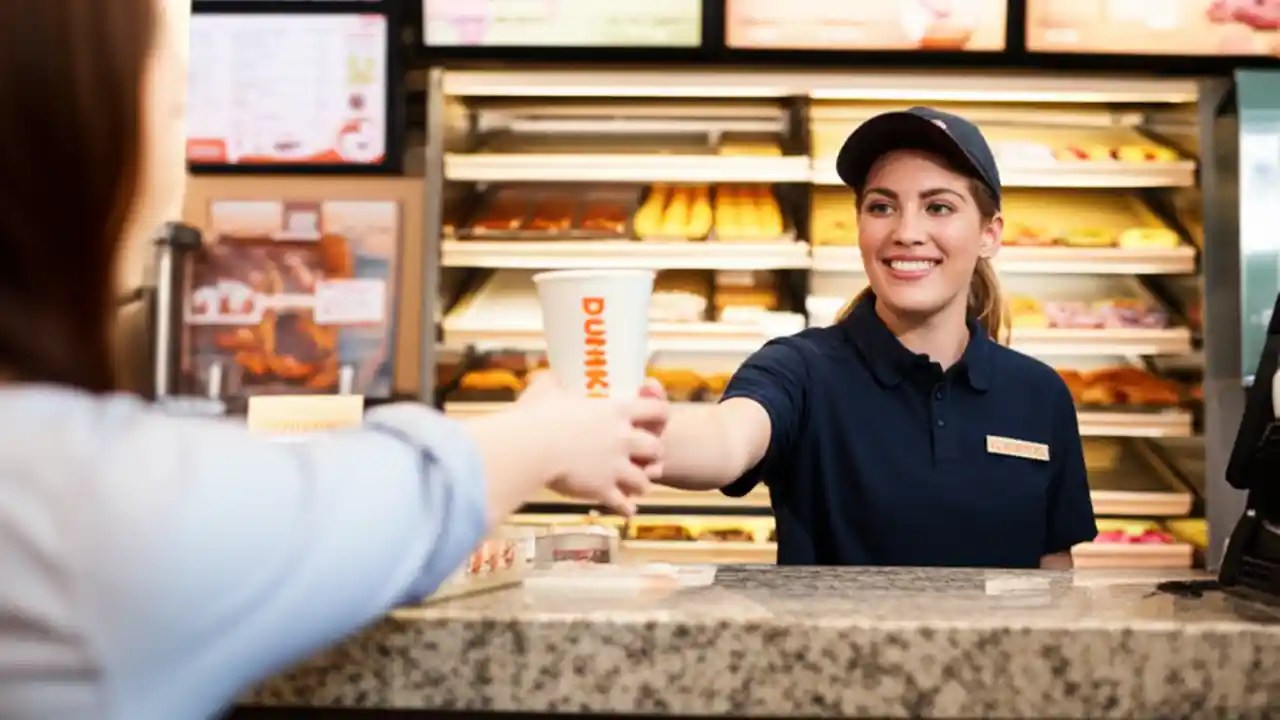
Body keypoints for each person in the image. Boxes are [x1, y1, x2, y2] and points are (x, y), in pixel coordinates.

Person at [0, 2, 665, 719]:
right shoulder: (78, 512)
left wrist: (549, 434)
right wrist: (552, 432)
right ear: (72, 150)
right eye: (171, 111)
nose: (180, 160)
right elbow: (403, 498)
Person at [652, 107, 1096, 569]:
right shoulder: (801, 370)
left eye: (938, 207)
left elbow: (1053, 581)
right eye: (882, 207)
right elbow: (726, 442)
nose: (906, 233)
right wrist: (623, 434)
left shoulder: (1039, 395)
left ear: (989, 234)